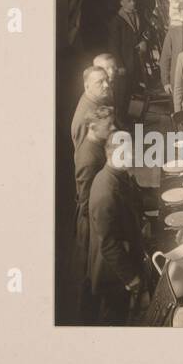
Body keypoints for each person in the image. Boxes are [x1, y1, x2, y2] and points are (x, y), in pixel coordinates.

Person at [86, 134, 147, 324]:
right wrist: (131, 278)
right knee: (115, 317)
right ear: (110, 154)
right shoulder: (105, 193)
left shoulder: (119, 174)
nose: (132, 156)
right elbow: (109, 246)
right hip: (113, 273)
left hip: (126, 258)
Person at [73, 108, 114, 323]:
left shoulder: (96, 144)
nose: (113, 128)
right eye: (109, 125)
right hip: (92, 223)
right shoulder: (88, 158)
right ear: (92, 127)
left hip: (96, 217)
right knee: (93, 276)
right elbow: (87, 201)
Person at [108, 0, 144, 126]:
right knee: (121, 93)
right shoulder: (117, 21)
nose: (132, 3)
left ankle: (127, 117)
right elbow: (114, 46)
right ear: (121, 3)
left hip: (134, 61)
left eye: (134, 0)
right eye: (129, 1)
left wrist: (143, 41)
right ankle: (119, 120)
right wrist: (120, 65)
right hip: (124, 63)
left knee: (130, 90)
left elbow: (141, 33)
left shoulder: (136, 16)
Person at [159, 0, 183, 104]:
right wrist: (166, 82)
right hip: (180, 75)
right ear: (180, 15)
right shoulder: (173, 32)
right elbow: (164, 58)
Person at [71, 65, 112, 150]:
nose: (106, 85)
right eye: (100, 82)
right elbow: (84, 155)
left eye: (107, 79)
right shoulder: (84, 119)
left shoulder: (97, 96)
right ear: (87, 86)